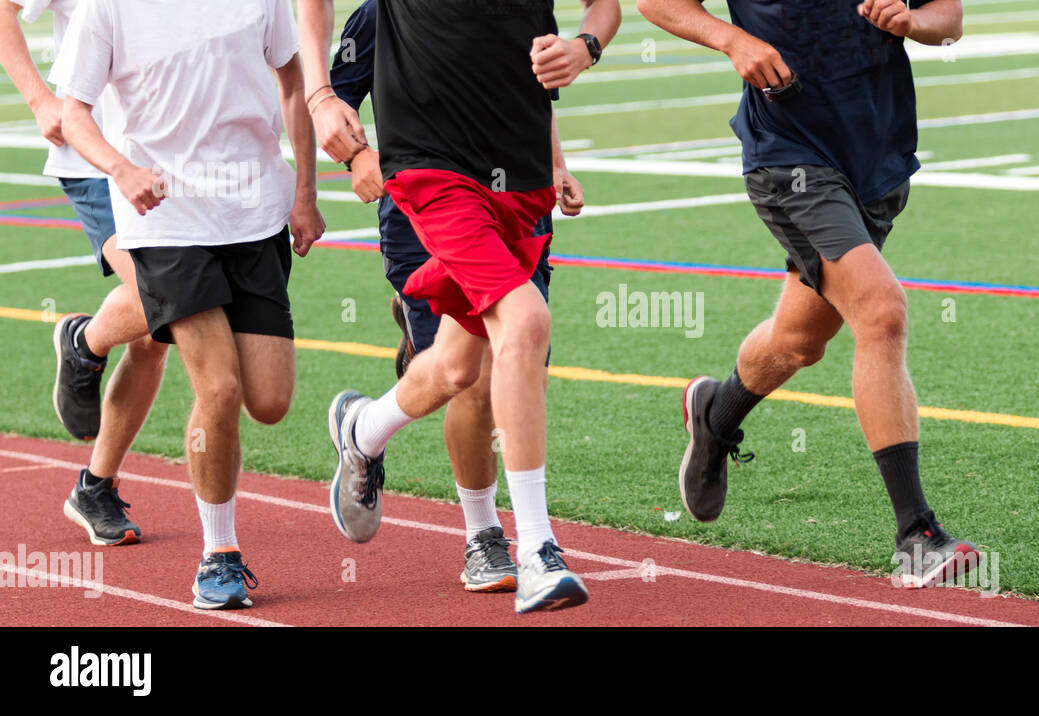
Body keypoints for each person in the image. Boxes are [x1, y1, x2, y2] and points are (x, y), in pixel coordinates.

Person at [638, 0, 982, 588]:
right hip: (789, 156)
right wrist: (732, 41)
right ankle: (916, 535)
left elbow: (947, 17)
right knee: (882, 312)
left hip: (878, 153)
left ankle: (714, 416)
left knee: (799, 342)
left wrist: (912, 22)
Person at [299, 0, 619, 614]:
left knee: (455, 366)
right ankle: (531, 550)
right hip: (431, 172)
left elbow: (593, 12)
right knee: (522, 326)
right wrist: (321, 101)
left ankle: (363, 430)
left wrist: (585, 48)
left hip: (519, 180)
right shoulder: (378, 20)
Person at [56, 0, 324, 609]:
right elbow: (74, 112)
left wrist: (304, 190)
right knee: (220, 389)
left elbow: (291, 79)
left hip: (255, 213)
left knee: (270, 401)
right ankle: (219, 555)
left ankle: (85, 339)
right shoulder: (108, 9)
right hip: (167, 222)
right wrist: (121, 170)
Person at [0, 0, 167, 547]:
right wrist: (39, 98)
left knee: (153, 335)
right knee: (162, 294)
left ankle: (95, 486)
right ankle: (86, 340)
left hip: (171, 158)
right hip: (94, 155)